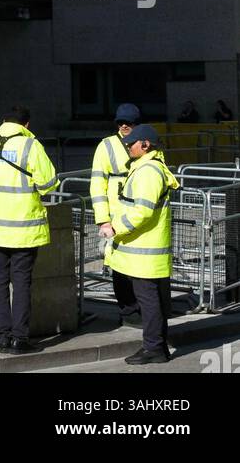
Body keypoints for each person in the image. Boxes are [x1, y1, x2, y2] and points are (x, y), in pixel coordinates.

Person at [0, 105, 58, 355]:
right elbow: (49, 184)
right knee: (21, 283)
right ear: (26, 125)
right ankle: (20, 339)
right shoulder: (31, 146)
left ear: (3, 122)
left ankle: (2, 338)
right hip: (23, 228)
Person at [103, 124, 179, 365]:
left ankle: (154, 348)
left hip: (143, 252)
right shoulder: (148, 168)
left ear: (145, 145)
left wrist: (116, 227)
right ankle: (157, 347)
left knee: (148, 301)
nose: (127, 147)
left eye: (131, 144)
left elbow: (142, 211)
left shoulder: (147, 171)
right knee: (152, 300)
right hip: (146, 250)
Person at [90, 102, 141, 324]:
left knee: (142, 264)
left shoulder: (148, 143)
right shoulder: (106, 146)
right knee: (119, 265)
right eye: (120, 122)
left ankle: (144, 309)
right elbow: (97, 184)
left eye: (128, 122)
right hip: (115, 214)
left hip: (140, 213)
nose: (123, 126)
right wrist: (102, 219)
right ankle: (128, 311)